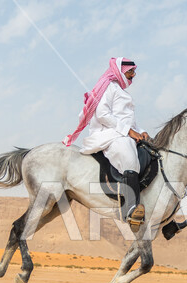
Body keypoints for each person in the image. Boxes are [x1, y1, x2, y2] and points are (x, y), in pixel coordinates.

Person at [63, 57, 149, 225]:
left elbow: (129, 120)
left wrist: (141, 131)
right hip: (110, 134)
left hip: (124, 133)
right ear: (120, 72)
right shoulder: (108, 88)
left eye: (134, 71)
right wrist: (128, 131)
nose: (134, 74)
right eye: (131, 71)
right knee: (130, 160)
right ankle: (130, 209)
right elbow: (102, 115)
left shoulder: (122, 92)